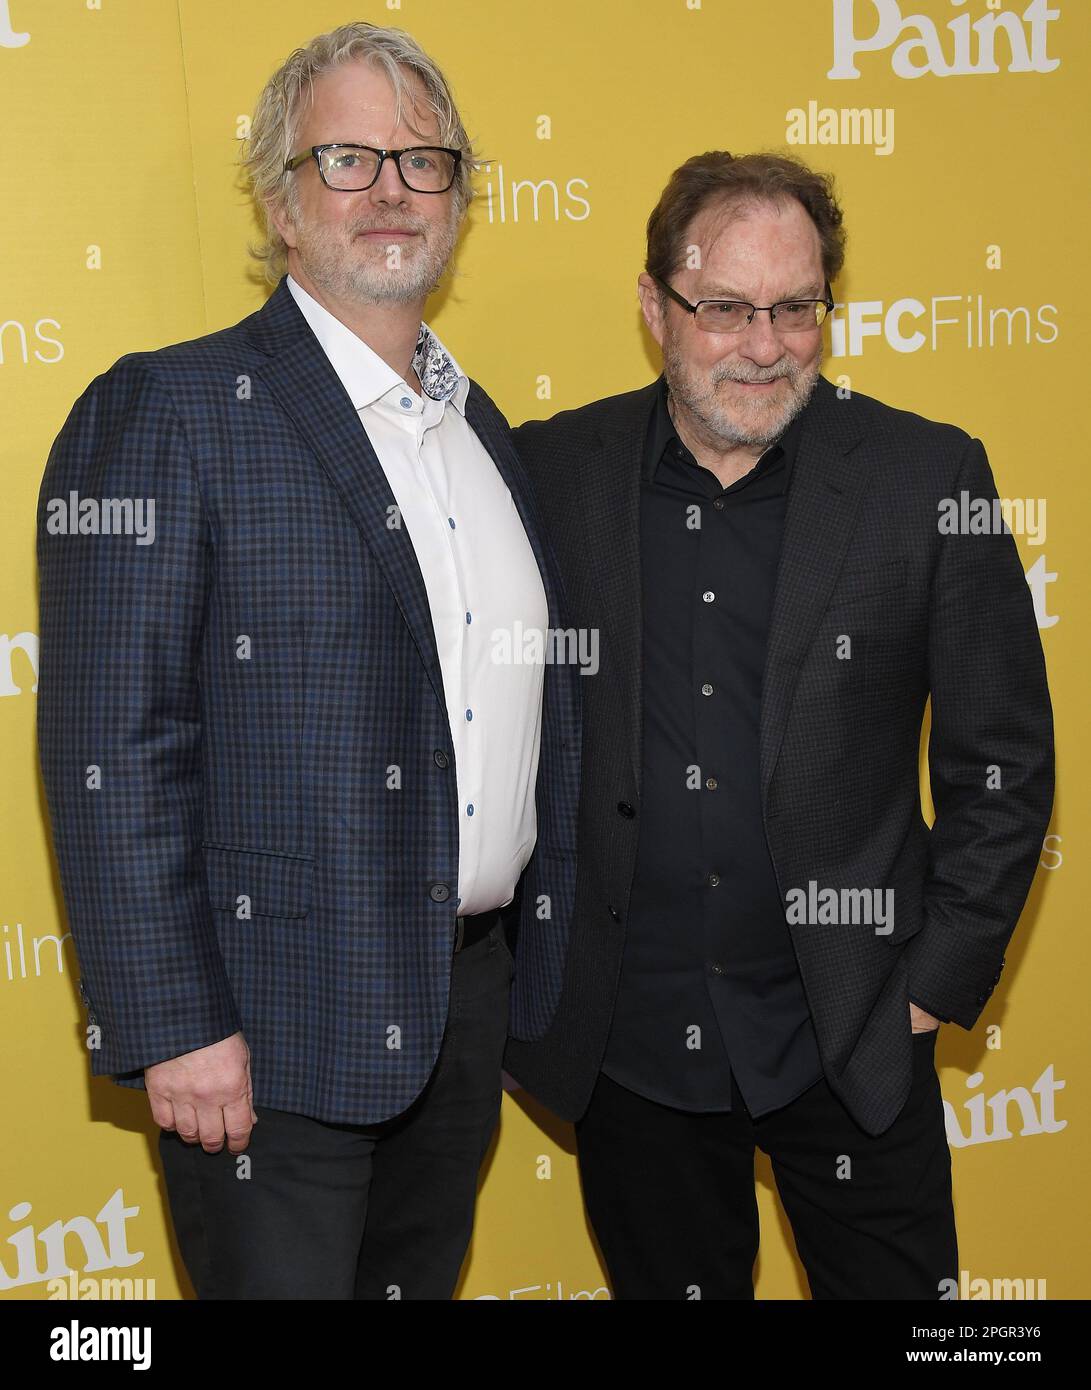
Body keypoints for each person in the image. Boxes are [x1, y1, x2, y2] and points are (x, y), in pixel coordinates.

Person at [36, 21, 578, 1300]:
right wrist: (174, 1025)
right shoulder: (167, 410)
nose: (390, 188)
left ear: (458, 197)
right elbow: (113, 744)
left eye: (423, 160)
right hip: (265, 1041)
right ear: (282, 204)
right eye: (346, 158)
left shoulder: (479, 433)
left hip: (459, 1017)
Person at [503, 150, 1054, 1299]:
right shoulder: (552, 473)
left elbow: (999, 759)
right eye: (723, 309)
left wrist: (927, 982)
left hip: (847, 1032)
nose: (763, 345)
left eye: (794, 308)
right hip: (630, 1044)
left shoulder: (923, 478)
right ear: (653, 306)